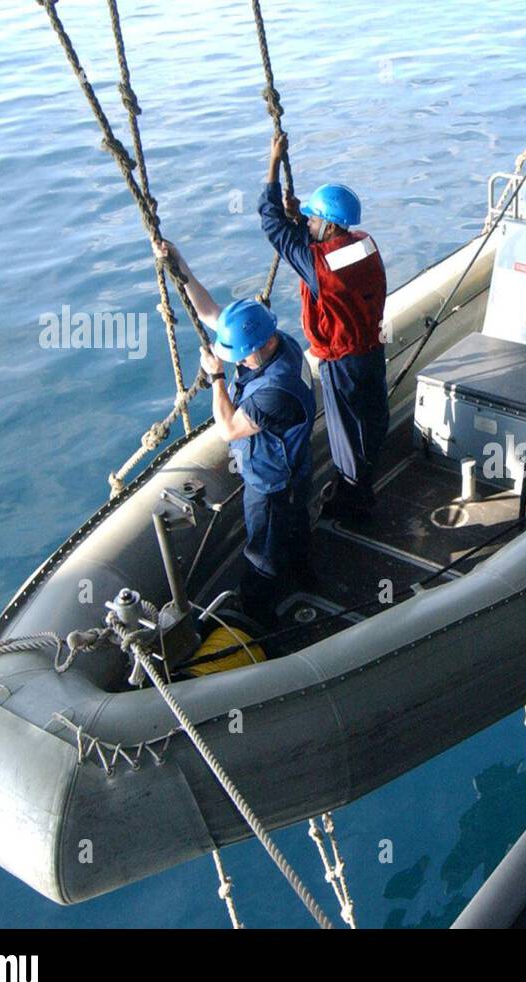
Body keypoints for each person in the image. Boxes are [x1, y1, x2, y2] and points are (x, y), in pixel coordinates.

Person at [153, 239, 318, 625]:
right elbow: (211, 313)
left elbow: (229, 428)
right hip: (295, 467)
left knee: (263, 551)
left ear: (258, 347)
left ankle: (259, 612)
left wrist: (217, 379)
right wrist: (181, 267)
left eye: (240, 355)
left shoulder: (274, 392)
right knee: (295, 532)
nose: (238, 359)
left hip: (275, 482)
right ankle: (306, 575)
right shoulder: (280, 343)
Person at [259, 134, 389, 521]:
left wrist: (273, 163)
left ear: (330, 226)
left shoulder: (320, 266)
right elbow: (312, 245)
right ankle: (358, 485)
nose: (310, 223)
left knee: (347, 436)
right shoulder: (362, 243)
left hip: (343, 363)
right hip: (370, 352)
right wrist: (301, 218)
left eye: (316, 219)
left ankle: (354, 503)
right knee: (370, 421)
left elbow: (271, 225)